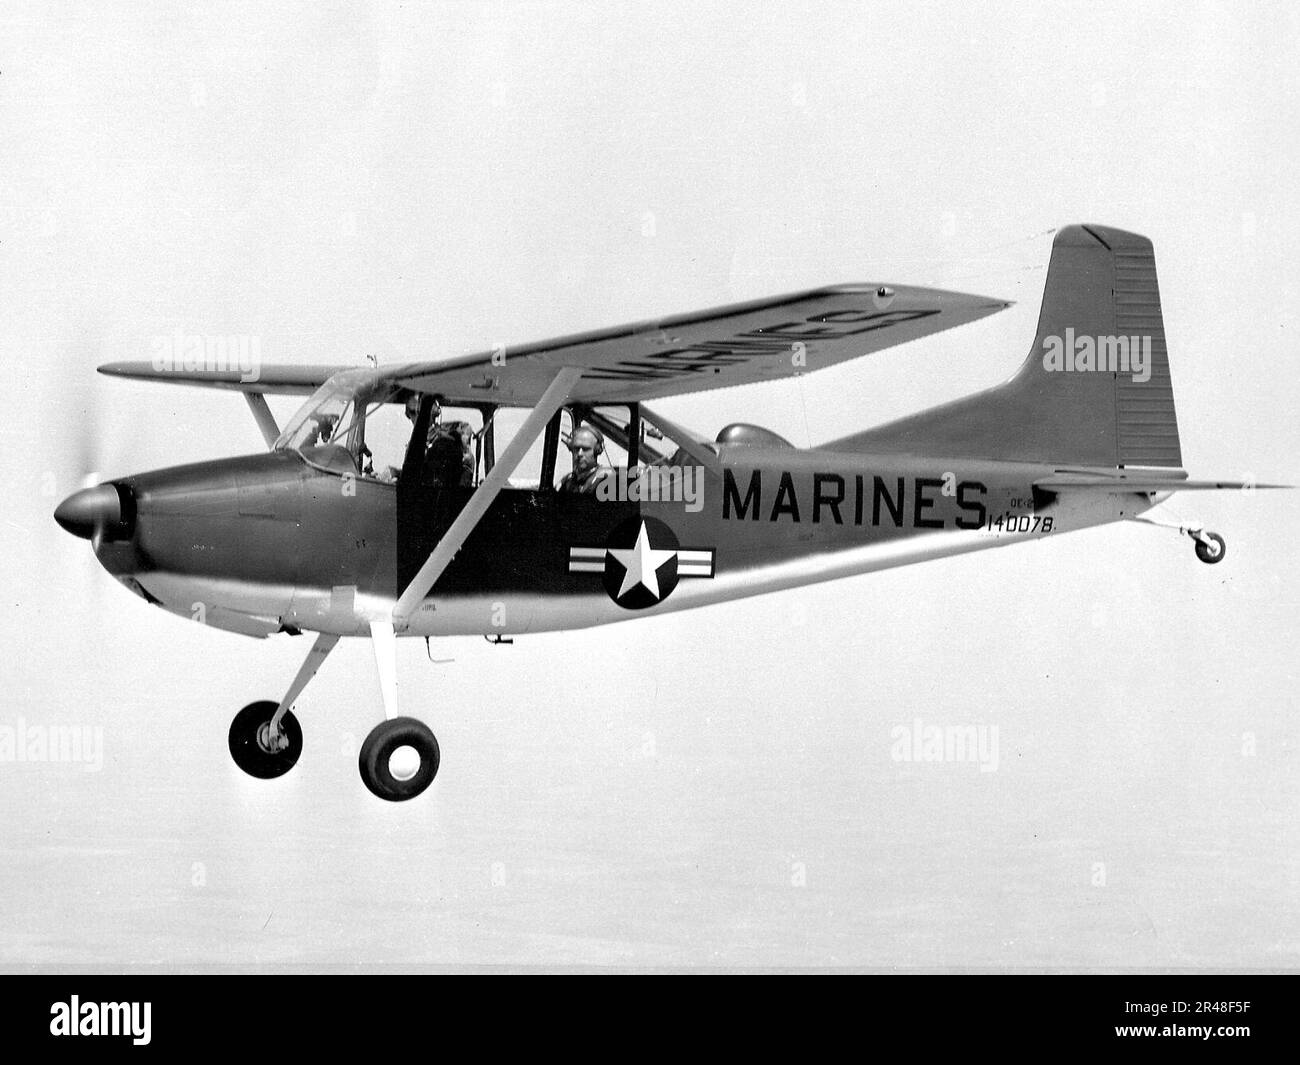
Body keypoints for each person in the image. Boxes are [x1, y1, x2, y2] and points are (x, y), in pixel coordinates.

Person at [559, 425, 614, 494]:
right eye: (576, 449)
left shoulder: (606, 481)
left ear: (597, 450)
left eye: (585, 449)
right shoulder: (567, 481)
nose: (579, 454)